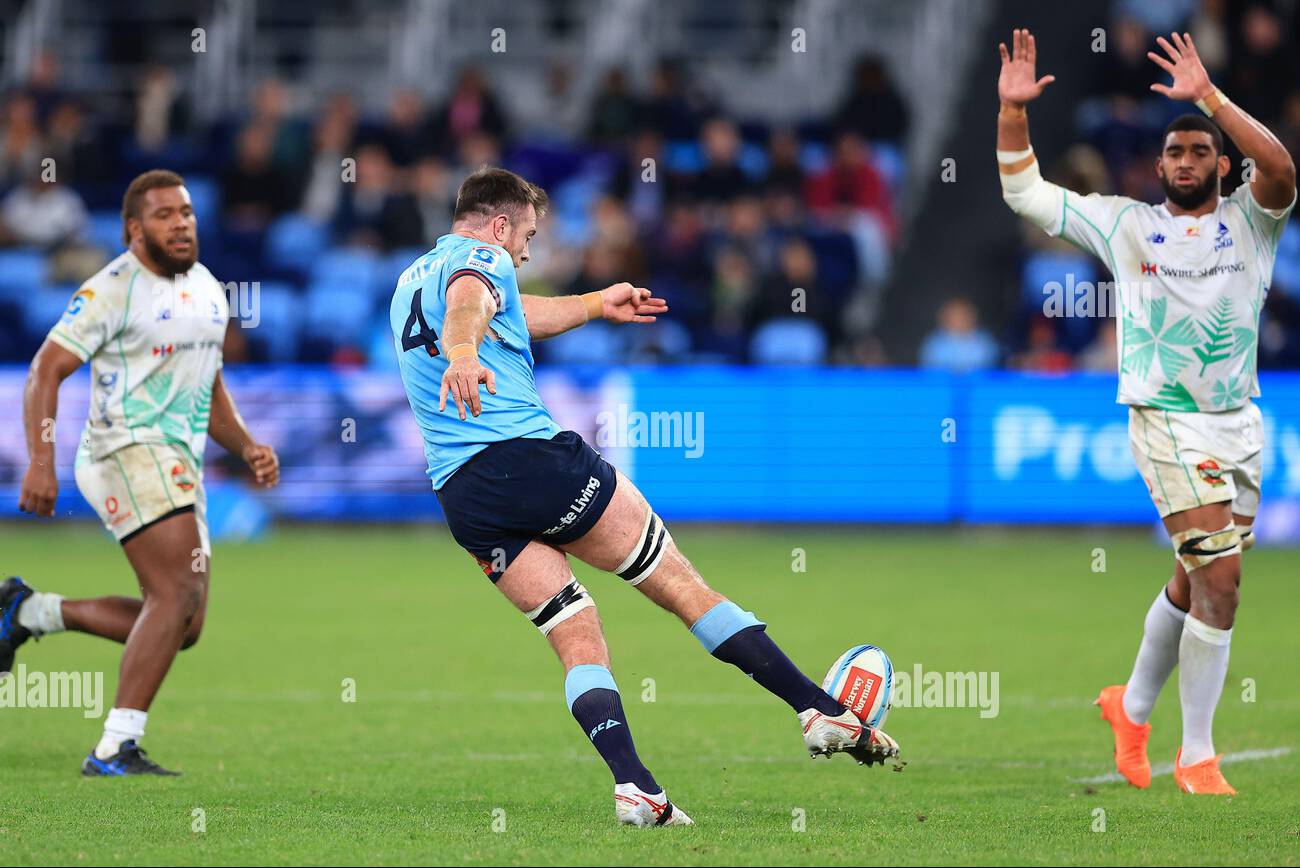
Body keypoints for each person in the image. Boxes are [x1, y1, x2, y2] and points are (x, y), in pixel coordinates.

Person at [389, 167, 899, 826]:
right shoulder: (478, 261)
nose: (527, 251)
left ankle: (637, 789)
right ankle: (818, 710)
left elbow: (508, 309)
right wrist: (462, 353)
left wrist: (598, 303)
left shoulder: (411, 280)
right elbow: (472, 301)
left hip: (464, 494)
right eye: (528, 236)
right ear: (497, 224)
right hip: (530, 459)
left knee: (575, 634)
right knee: (681, 586)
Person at [997, 29, 1296, 795]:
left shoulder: (1252, 223)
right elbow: (1024, 191)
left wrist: (1210, 100)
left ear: (1220, 164)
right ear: (1159, 165)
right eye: (1176, 153)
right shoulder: (1127, 223)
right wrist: (1011, 112)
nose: (1187, 161)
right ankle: (1197, 755)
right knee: (1221, 581)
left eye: (1200, 151)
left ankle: (1129, 709)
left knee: (1195, 579)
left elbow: (1284, 168)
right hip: (1163, 417)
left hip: (1239, 422)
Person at [3, 170, 280, 776]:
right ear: (134, 230)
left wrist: (246, 444)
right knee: (177, 592)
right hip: (122, 450)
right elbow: (44, 370)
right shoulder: (111, 290)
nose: (180, 223)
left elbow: (207, 388)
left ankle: (28, 612)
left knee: (185, 623)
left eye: (186, 212)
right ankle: (113, 746)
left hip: (176, 458)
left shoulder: (208, 288)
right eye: (163, 215)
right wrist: (41, 462)